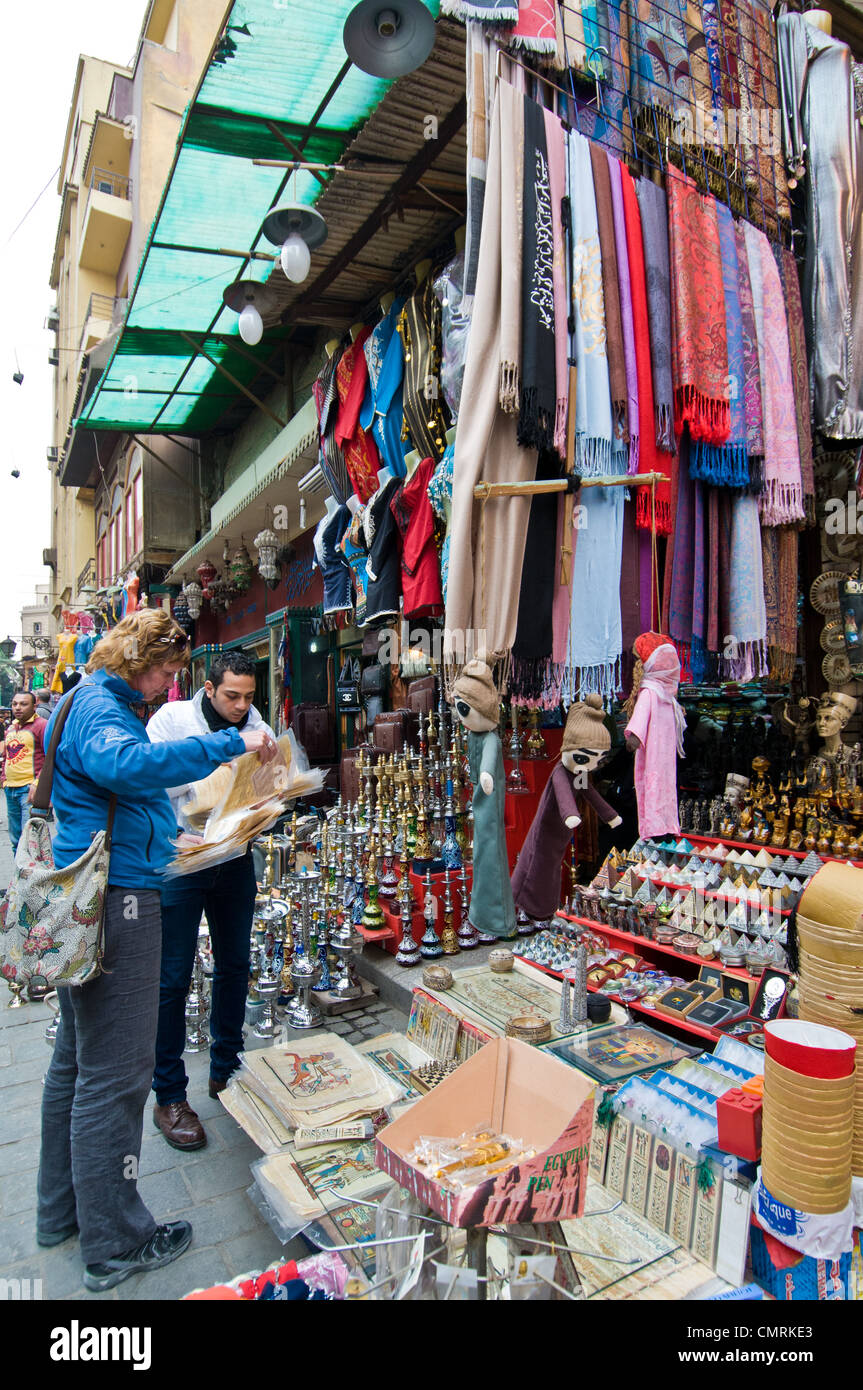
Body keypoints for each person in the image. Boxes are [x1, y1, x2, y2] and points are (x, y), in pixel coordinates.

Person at [36, 610, 278, 1292]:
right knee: (116, 1073)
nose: (167, 686)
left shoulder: (85, 700)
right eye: (167, 672)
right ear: (138, 658)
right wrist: (223, 746)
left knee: (77, 1064)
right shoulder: (100, 707)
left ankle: (62, 1210)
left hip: (100, 887)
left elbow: (110, 791)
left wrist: (161, 835)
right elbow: (128, 766)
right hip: (120, 899)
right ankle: (116, 1240)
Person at [146, 651, 276, 1149]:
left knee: (234, 964)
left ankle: (227, 1070)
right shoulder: (171, 720)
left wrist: (268, 797)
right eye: (231, 696)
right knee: (173, 978)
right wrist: (220, 752)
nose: (242, 706)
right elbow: (152, 781)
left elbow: (263, 785)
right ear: (207, 688)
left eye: (248, 696)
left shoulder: (257, 721)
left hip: (234, 858)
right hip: (181, 861)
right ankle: (169, 1095)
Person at [1, 690, 47, 852]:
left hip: (29, 790)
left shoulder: (42, 726)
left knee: (30, 841)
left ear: (34, 706)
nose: (18, 708)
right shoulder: (11, 729)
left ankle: (32, 876)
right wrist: (4, 779)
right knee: (15, 839)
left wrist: (37, 783)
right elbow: (7, 756)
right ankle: (20, 876)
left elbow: (51, 757)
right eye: (14, 704)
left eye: (23, 704)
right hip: (10, 789)